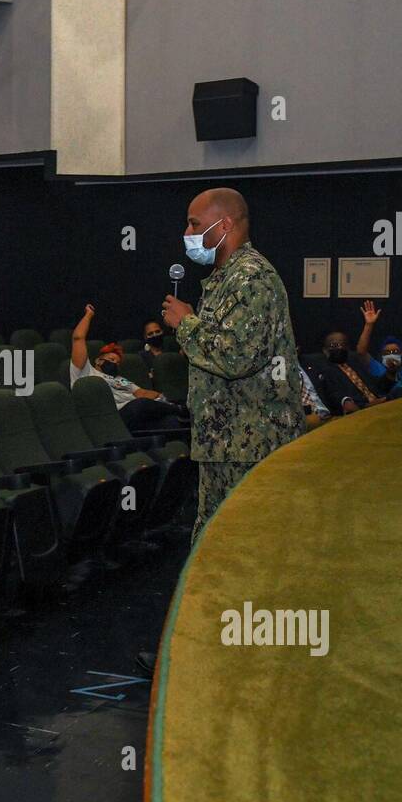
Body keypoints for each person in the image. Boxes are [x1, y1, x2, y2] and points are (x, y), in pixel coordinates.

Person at [139, 187, 305, 675]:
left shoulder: (251, 279)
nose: (186, 234)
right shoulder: (226, 278)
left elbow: (234, 357)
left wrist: (186, 324)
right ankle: (211, 651)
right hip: (228, 440)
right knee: (222, 551)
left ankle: (220, 657)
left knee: (234, 552)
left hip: (248, 444)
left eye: (194, 224)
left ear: (224, 225)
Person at [70, 307, 185, 432]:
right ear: (98, 361)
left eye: (118, 362)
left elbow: (142, 393)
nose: (115, 363)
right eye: (111, 359)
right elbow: (78, 338)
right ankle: (181, 410)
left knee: (171, 422)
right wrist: (89, 315)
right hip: (115, 417)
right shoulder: (85, 372)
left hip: (137, 416)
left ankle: (178, 412)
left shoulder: (121, 380)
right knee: (140, 405)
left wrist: (162, 397)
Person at [353, 300, 402, 399]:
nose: (391, 355)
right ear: (382, 355)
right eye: (387, 352)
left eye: (395, 352)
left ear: (401, 354)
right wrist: (369, 325)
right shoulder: (377, 368)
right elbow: (361, 352)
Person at [310, 329, 386, 415]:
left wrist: (391, 373)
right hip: (361, 408)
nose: (340, 347)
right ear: (325, 350)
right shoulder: (326, 372)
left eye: (343, 344)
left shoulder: (355, 362)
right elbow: (334, 395)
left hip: (380, 400)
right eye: (334, 345)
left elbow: (375, 384)